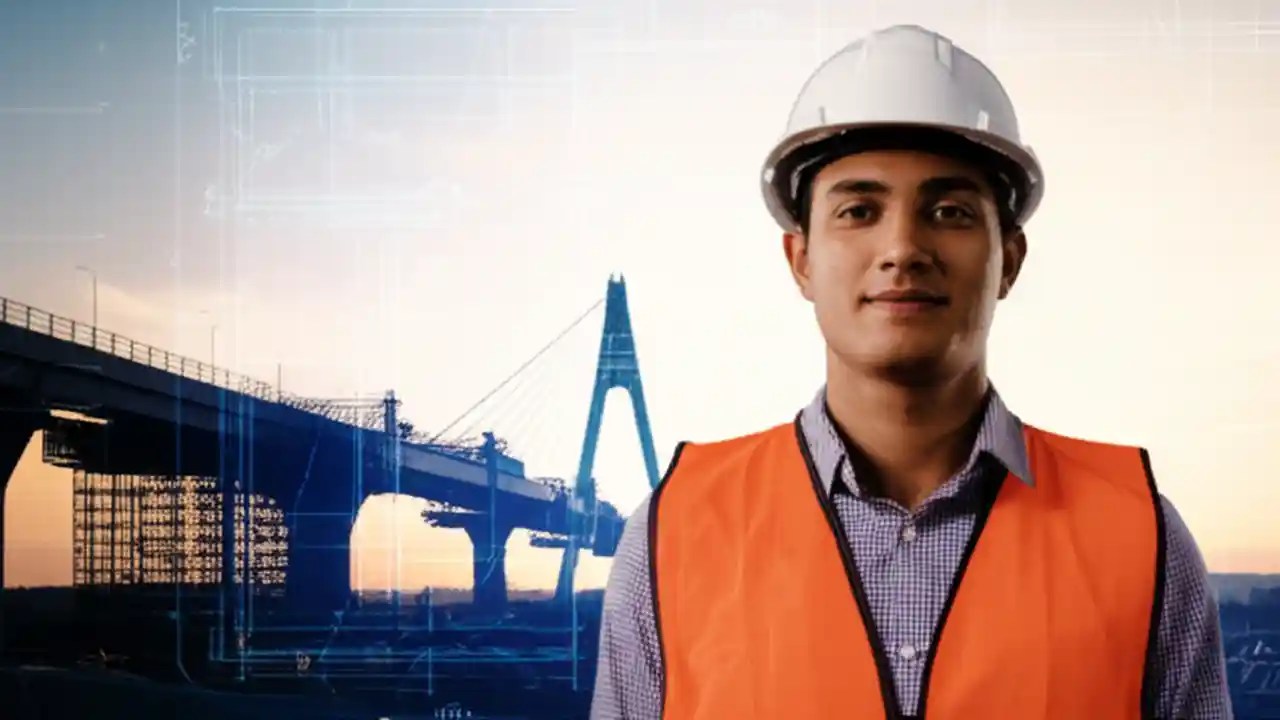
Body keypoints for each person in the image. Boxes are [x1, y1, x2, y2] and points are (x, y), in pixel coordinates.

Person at [589, 23, 1232, 720]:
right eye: (859, 211)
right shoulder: (671, 534)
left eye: (949, 212)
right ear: (800, 259)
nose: (902, 247)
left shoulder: (1142, 539)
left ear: (1008, 261)